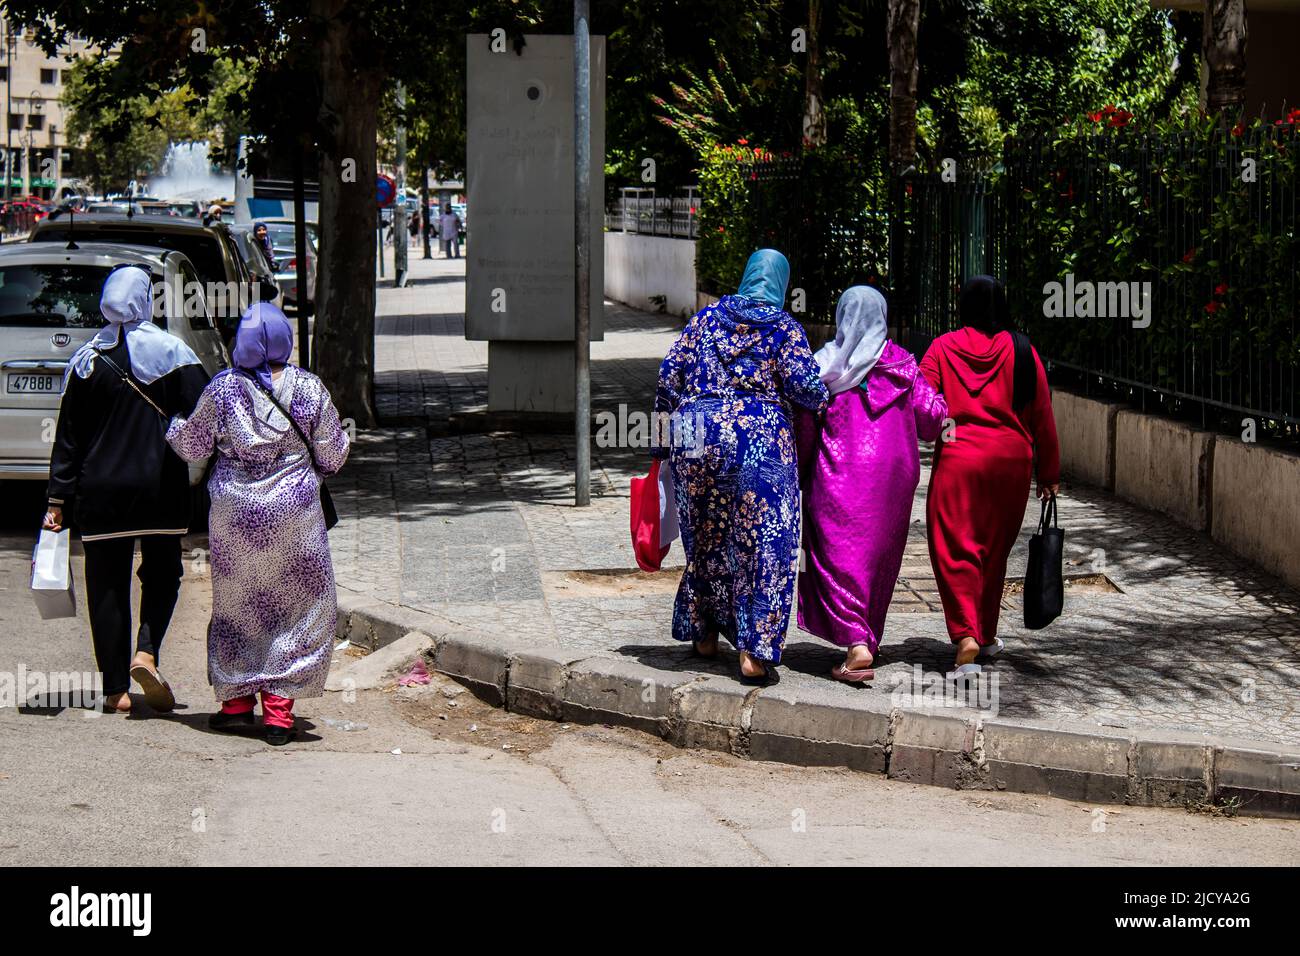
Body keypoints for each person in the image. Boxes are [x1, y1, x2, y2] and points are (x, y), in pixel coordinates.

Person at [166, 303, 350, 745]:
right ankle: (279, 713)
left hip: (235, 519)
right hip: (295, 518)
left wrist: (173, 426)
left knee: (237, 605)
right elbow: (332, 456)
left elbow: (191, 446)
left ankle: (234, 704)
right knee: (298, 607)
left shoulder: (223, 389)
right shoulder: (309, 388)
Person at [654, 249, 828, 685]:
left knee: (708, 538)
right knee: (765, 545)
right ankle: (753, 651)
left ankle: (705, 633)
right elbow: (807, 389)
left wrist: (660, 444)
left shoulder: (706, 318)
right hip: (758, 444)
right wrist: (826, 395)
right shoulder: (783, 327)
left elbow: (667, 376)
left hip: (696, 436)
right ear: (781, 284)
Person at [43, 265, 210, 714]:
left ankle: (115, 690)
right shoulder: (173, 353)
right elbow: (205, 417)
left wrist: (57, 500)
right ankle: (147, 652)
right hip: (159, 489)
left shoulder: (84, 362)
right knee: (162, 574)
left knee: (106, 586)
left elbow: (68, 440)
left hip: (100, 493)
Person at [795, 286, 948, 683]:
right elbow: (933, 422)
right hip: (893, 479)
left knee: (836, 558)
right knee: (878, 559)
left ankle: (856, 643)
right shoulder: (904, 365)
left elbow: (806, 428)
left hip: (839, 474)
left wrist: (800, 471)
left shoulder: (825, 365)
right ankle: (867, 639)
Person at [920, 275, 1060, 675]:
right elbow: (1043, 413)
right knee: (993, 553)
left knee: (955, 548)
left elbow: (922, 399)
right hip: (1011, 463)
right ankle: (984, 635)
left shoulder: (942, 347)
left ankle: (966, 634)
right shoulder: (1022, 349)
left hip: (960, 459)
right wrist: (1048, 471)